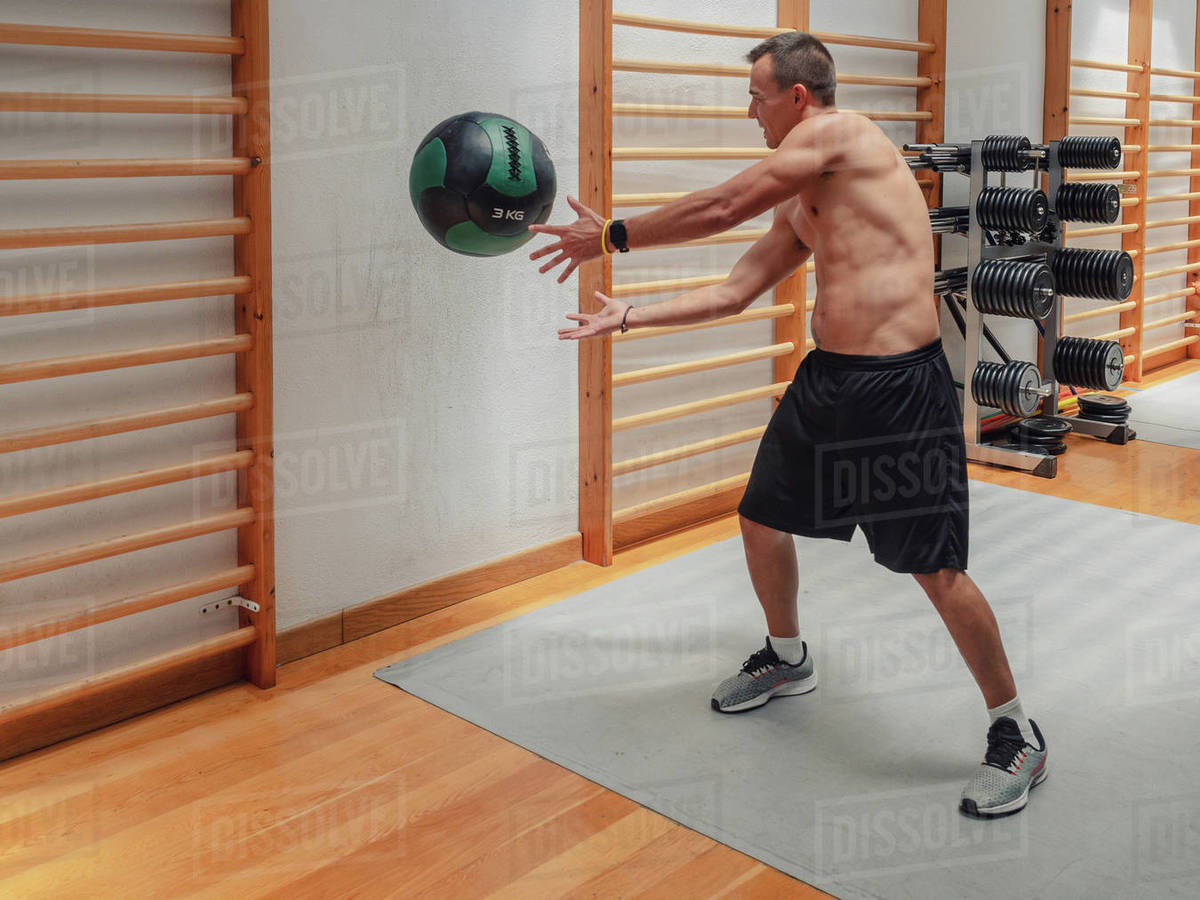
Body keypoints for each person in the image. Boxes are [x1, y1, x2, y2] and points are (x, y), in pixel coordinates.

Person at [527, 32, 1046, 819]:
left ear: (798, 97)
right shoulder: (808, 201)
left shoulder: (842, 137)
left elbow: (722, 205)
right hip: (827, 381)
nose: (751, 113)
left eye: (757, 97)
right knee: (761, 518)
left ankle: (1015, 730)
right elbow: (736, 290)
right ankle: (787, 656)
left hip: (898, 391)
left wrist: (610, 238)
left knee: (934, 569)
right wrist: (631, 314)